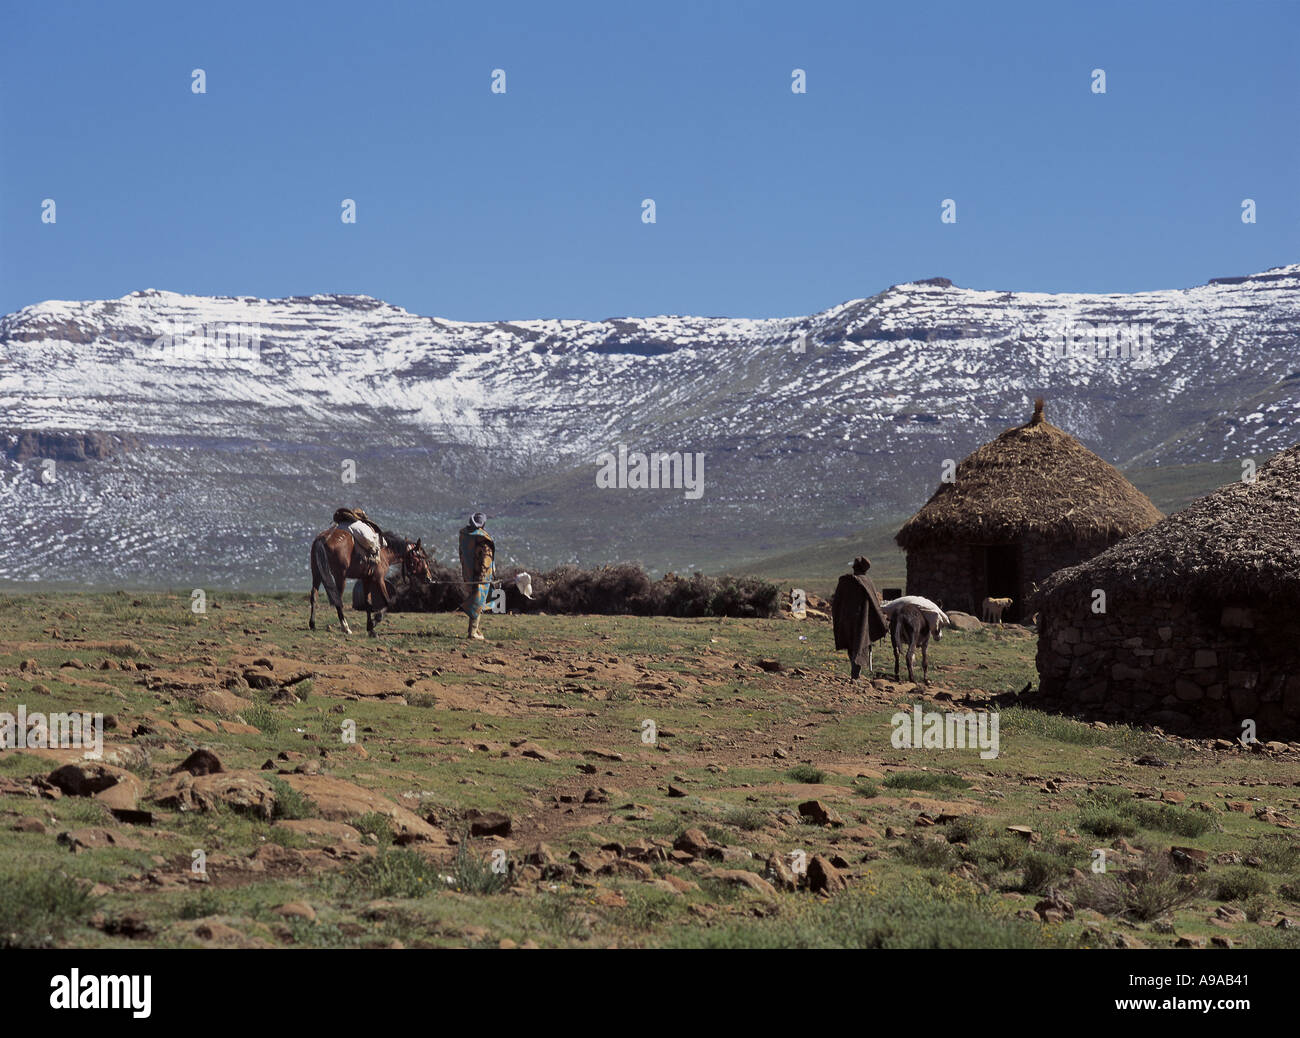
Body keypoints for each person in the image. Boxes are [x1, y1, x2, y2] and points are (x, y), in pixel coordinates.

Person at [831, 555, 889, 680]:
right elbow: (875, 604)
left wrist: (838, 617)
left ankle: (854, 669)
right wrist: (882, 622)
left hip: (845, 620)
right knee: (861, 645)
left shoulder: (844, 581)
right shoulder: (867, 582)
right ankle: (855, 673)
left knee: (851, 645)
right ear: (866, 569)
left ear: (854, 567)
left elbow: (836, 602)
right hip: (862, 621)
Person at [458, 511, 496, 640]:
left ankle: (475, 629)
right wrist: (484, 576)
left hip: (468, 573)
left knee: (475, 599)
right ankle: (472, 633)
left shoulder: (465, 535)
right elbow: (486, 558)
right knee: (477, 601)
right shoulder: (483, 538)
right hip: (480, 575)